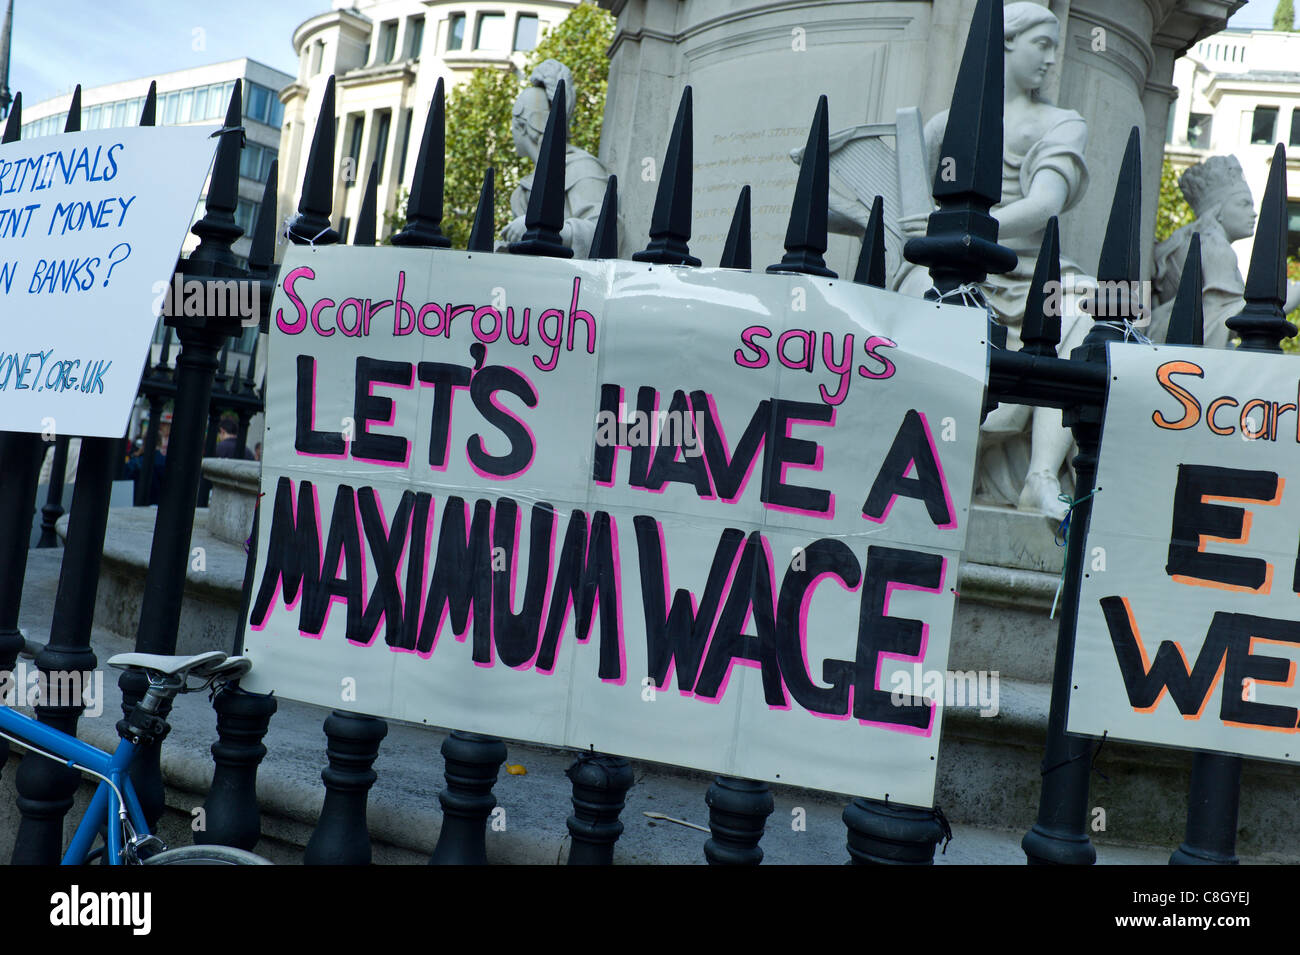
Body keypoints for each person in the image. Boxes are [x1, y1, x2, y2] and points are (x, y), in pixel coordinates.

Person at [895, 2, 1091, 520]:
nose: (1051, 59)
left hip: (1034, 272)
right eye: (1041, 45)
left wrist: (963, 232)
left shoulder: (1062, 122)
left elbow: (1046, 203)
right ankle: (922, 456)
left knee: (1091, 309)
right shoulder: (943, 127)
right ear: (1005, 43)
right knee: (915, 304)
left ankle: (1041, 476)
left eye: (1054, 46)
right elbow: (912, 204)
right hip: (959, 270)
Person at [1150, 155, 1300, 347]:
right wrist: (1290, 297)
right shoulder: (1216, 247)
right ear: (1218, 211)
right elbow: (1222, 318)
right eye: (1244, 203)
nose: (1254, 213)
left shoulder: (1190, 240)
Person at [498, 59, 613, 258]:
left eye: (514, 123)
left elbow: (604, 232)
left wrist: (539, 227)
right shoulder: (522, 190)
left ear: (525, 125)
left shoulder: (582, 167)